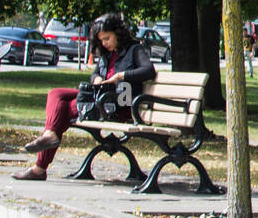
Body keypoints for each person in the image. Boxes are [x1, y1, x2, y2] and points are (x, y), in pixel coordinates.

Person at [14, 14, 156, 180]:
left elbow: (148, 70)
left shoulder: (134, 49)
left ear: (118, 33)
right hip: (101, 96)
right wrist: (96, 78)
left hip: (118, 103)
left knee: (64, 111)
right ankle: (48, 139)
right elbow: (96, 72)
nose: (105, 43)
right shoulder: (107, 54)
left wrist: (121, 76)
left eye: (107, 38)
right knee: (55, 94)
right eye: (101, 40)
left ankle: (41, 164)